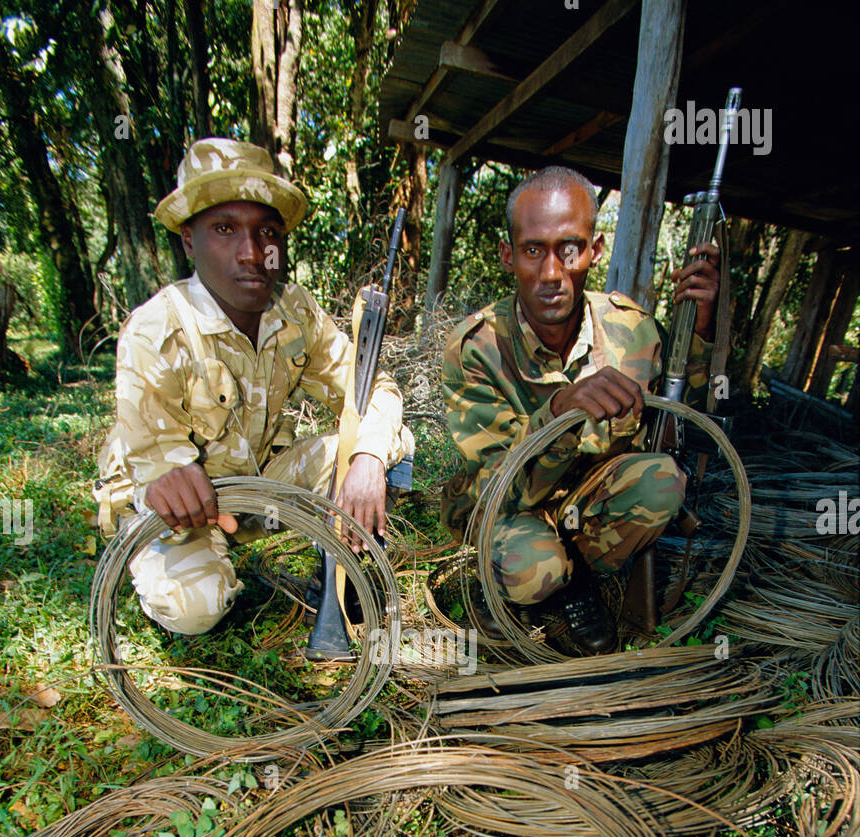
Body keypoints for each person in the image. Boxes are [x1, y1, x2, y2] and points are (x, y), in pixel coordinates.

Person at [94, 137, 413, 637]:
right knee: (194, 609)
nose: (250, 253)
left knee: (386, 443)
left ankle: (341, 569)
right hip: (181, 512)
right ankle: (154, 557)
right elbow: (161, 471)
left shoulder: (294, 310)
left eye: (266, 232)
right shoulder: (157, 330)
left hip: (257, 489)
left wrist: (367, 460)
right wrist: (167, 480)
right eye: (225, 229)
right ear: (187, 239)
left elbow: (373, 387)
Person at [440, 165, 720, 655]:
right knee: (534, 570)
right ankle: (558, 582)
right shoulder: (476, 348)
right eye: (533, 250)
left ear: (595, 249)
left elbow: (686, 424)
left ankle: (580, 571)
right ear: (508, 256)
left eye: (569, 249)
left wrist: (700, 332)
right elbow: (501, 488)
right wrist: (560, 412)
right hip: (509, 506)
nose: (552, 274)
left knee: (661, 482)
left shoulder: (634, 331)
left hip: (587, 501)